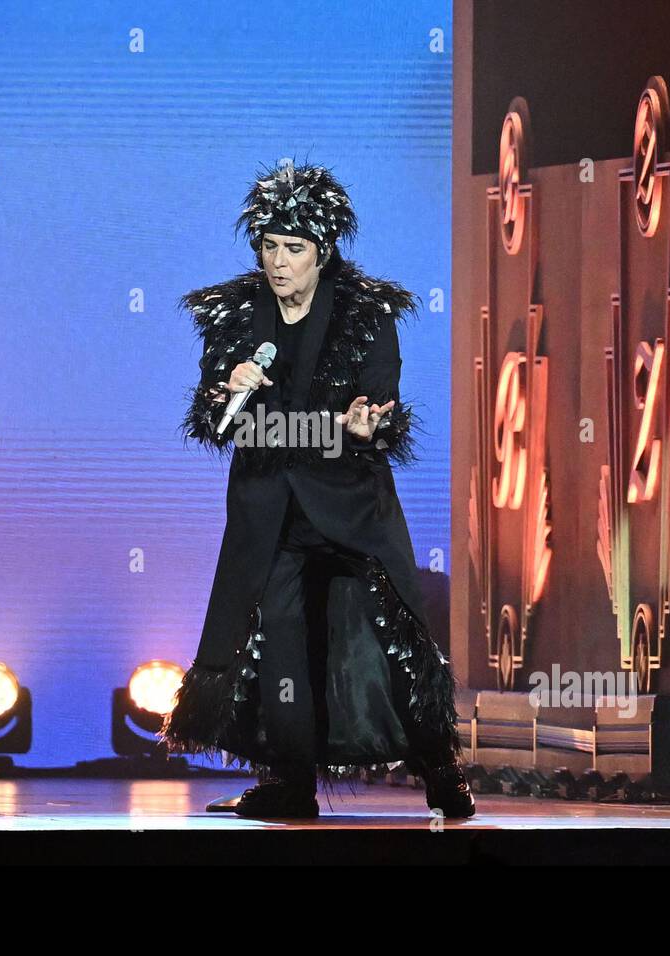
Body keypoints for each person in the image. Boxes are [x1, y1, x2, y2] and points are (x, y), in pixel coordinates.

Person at [160, 159, 473, 819]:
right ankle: (292, 782)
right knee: (276, 634)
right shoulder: (236, 315)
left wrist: (363, 423)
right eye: (269, 246)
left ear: (322, 252)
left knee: (389, 634)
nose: (279, 262)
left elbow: (378, 405)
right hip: (269, 510)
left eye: (293, 249)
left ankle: (442, 771)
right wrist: (226, 390)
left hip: (349, 505)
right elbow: (214, 417)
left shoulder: (365, 313)